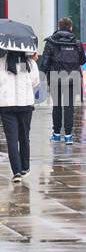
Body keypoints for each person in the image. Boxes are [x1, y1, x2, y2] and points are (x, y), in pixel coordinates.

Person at [39, 18, 84, 144]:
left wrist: (41, 76)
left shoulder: (51, 42)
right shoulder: (77, 43)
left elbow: (45, 62)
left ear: (58, 27)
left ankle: (57, 134)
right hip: (72, 78)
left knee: (57, 106)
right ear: (70, 27)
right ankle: (69, 135)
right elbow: (82, 61)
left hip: (55, 78)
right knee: (69, 107)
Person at [0, 46, 38, 182]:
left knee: (11, 139)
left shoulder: (1, 61)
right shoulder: (29, 62)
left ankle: (16, 171)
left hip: (6, 104)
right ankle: (24, 167)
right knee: (24, 136)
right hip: (25, 104)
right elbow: (35, 81)